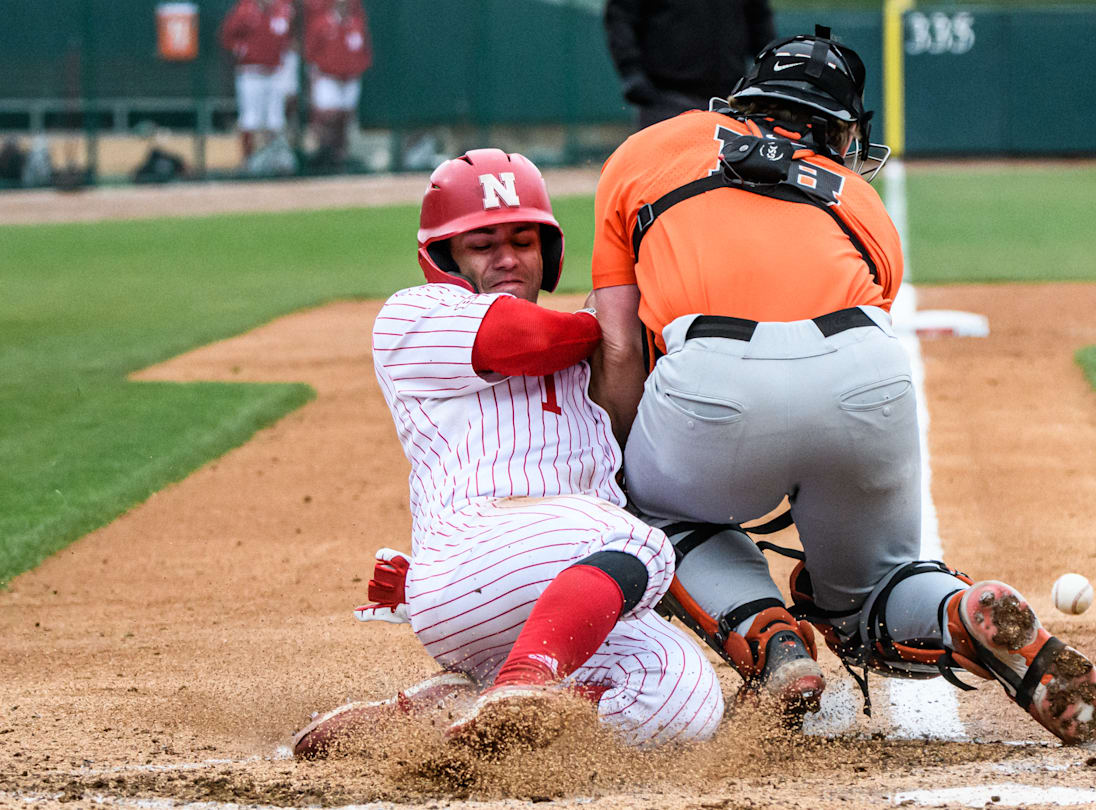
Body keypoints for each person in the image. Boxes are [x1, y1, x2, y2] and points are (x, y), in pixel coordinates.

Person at [588, 27, 1096, 744]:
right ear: (839, 129)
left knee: (656, 518)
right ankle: (960, 613)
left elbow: (618, 346)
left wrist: (622, 471)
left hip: (711, 377)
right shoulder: (862, 204)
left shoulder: (648, 149)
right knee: (870, 592)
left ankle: (772, 639)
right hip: (866, 374)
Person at [291, 149, 723, 759]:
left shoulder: (587, 366)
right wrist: (613, 318)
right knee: (639, 543)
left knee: (684, 698)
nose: (506, 257)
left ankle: (438, 717)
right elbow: (524, 337)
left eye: (523, 240)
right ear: (441, 259)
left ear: (548, 252)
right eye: (481, 243)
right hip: (474, 551)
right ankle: (523, 686)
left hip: (566, 582)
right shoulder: (413, 316)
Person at [604, 0, 775, 131]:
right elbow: (620, 18)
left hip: (728, 100)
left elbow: (759, 21)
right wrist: (632, 73)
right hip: (664, 97)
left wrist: (769, 73)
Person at [220, 0, 295, 161]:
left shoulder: (282, 8)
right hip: (251, 72)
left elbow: (289, 37)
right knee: (250, 119)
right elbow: (227, 36)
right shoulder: (245, 9)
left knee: (275, 120)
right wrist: (243, 51)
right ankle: (249, 161)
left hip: (275, 71)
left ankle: (274, 159)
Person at [304, 0, 372, 170]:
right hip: (328, 77)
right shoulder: (322, 23)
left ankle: (340, 156)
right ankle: (323, 154)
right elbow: (310, 53)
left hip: (349, 78)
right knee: (327, 116)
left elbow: (364, 51)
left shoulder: (356, 23)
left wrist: (357, 67)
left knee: (345, 117)